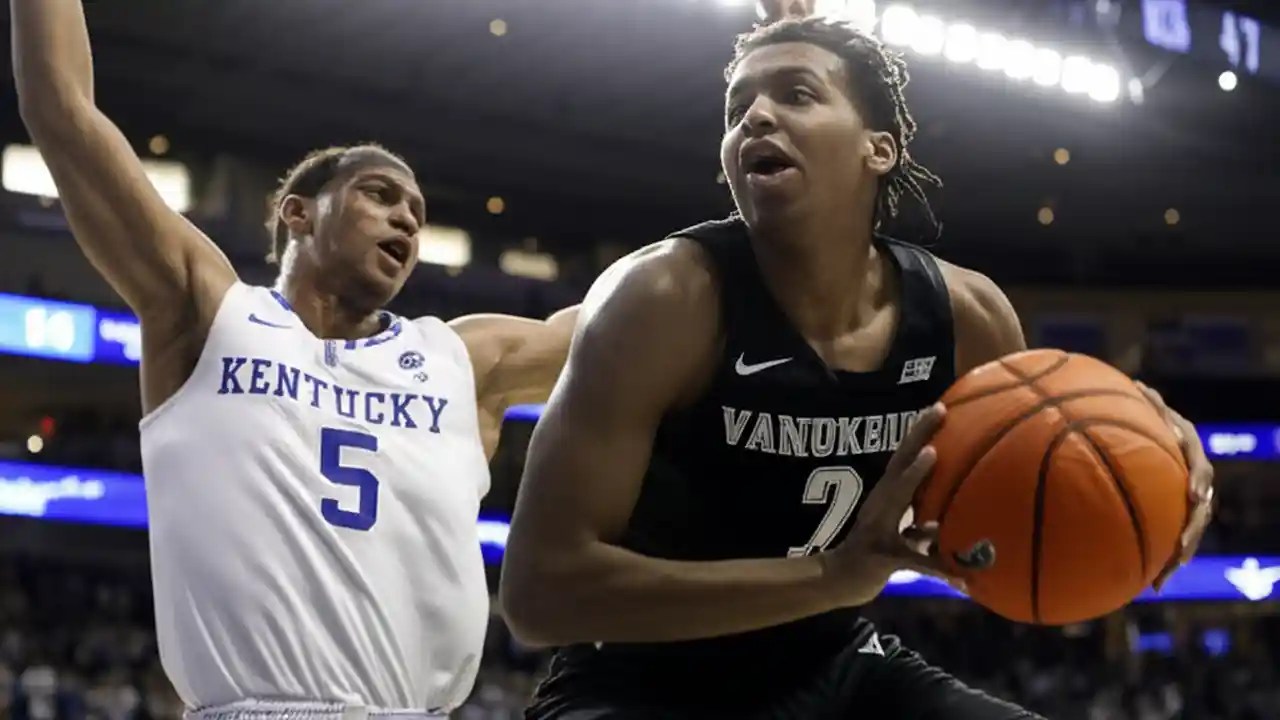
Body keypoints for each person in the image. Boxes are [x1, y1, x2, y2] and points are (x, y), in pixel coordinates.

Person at [499, 5, 1216, 719]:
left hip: (834, 663)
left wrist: (1150, 443)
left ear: (880, 149)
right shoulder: (664, 297)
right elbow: (538, 595)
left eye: (796, 94)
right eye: (737, 106)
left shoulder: (964, 314)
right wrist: (829, 577)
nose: (754, 117)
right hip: (637, 681)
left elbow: (1052, 454)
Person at [11, 1, 578, 717]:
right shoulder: (212, 313)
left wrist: (760, 106)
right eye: (380, 194)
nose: (407, 216)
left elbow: (628, 321)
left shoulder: (461, 358)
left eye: (417, 212)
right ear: (298, 213)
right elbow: (62, 111)